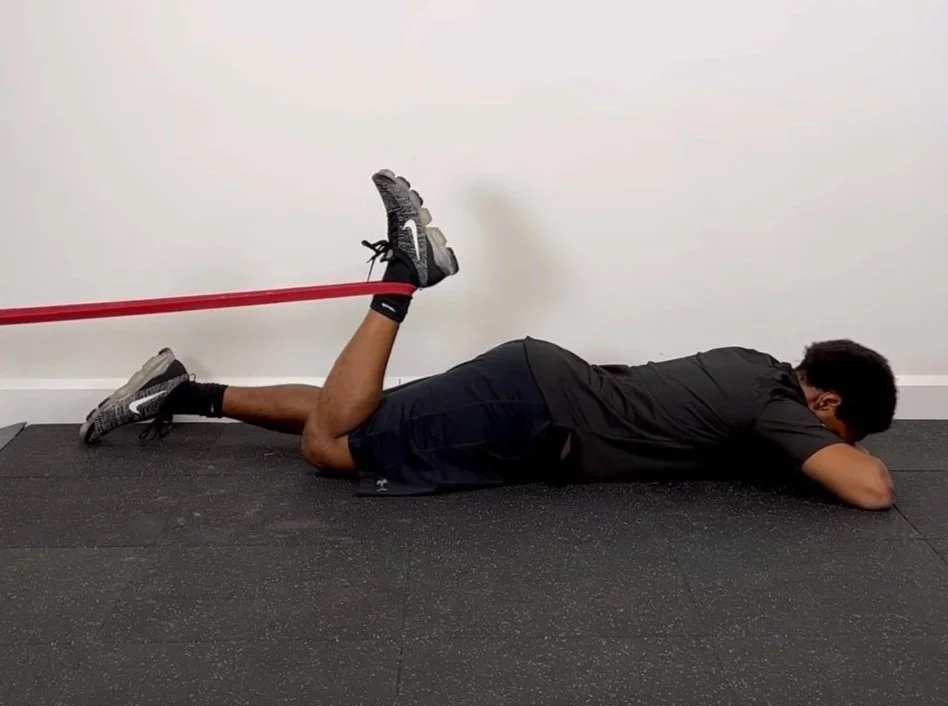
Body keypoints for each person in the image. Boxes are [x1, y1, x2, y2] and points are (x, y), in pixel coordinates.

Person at [80, 169, 898, 509]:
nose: (827, 446)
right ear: (823, 399)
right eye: (840, 431)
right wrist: (855, 458)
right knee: (328, 447)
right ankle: (402, 278)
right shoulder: (776, 403)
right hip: (529, 412)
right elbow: (870, 491)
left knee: (359, 412)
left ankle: (180, 390)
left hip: (533, 386)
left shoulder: (754, 367)